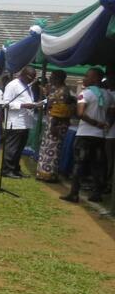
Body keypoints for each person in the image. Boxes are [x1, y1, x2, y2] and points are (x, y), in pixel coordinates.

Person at [61, 68, 110, 203]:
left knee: (79, 164)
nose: (84, 78)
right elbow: (111, 112)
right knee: (97, 166)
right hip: (99, 136)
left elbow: (80, 113)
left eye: (87, 76)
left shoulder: (85, 94)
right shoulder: (107, 95)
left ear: (95, 79)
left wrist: (95, 122)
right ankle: (97, 194)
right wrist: (103, 123)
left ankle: (74, 193)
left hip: (85, 134)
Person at [1, 67, 41, 178]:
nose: (32, 80)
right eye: (30, 78)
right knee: (12, 148)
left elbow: (25, 100)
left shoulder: (27, 86)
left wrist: (35, 104)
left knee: (19, 149)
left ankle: (15, 169)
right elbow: (5, 103)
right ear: (23, 74)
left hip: (25, 122)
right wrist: (23, 105)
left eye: (33, 78)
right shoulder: (13, 85)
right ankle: (6, 170)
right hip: (15, 122)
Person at [35, 70, 74, 183]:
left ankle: (49, 175)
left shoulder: (63, 91)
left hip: (56, 124)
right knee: (47, 148)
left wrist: (53, 125)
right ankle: (43, 173)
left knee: (52, 149)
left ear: (58, 78)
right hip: (52, 121)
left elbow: (60, 110)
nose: (50, 78)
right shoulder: (57, 90)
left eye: (52, 77)